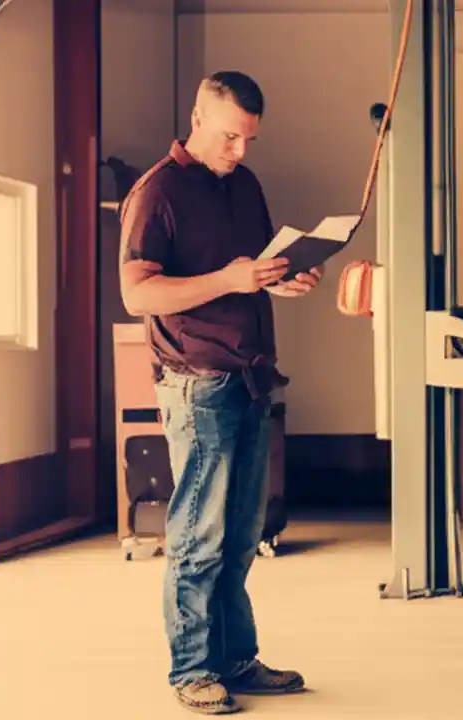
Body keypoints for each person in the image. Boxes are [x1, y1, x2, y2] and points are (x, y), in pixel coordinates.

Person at [120, 70, 321, 715]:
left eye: (249, 139)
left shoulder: (244, 184)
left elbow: (250, 272)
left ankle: (236, 660)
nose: (240, 150)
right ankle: (192, 671)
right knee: (197, 537)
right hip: (198, 382)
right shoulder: (157, 192)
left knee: (240, 535)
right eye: (231, 136)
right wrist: (229, 280)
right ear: (198, 116)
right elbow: (137, 294)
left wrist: (280, 278)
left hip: (252, 377)